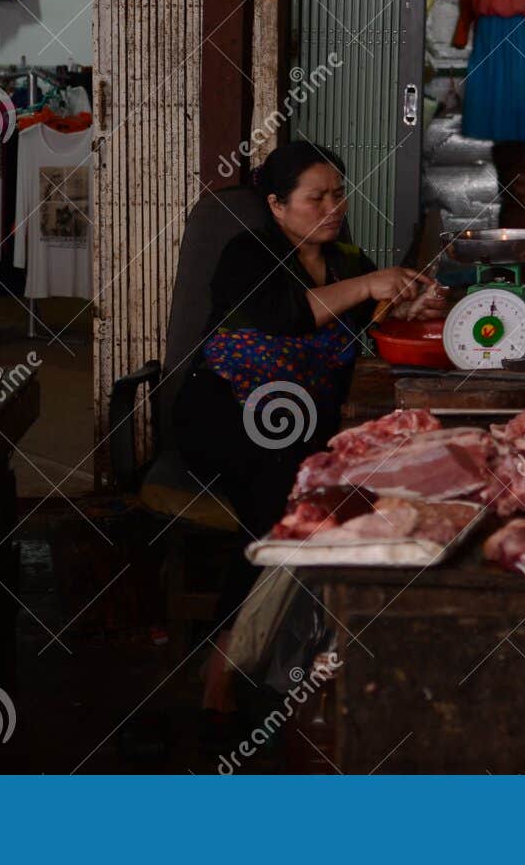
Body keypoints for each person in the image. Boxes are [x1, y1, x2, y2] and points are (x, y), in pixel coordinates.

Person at [170, 142, 445, 711]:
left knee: (325, 484)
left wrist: (410, 305)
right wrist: (370, 287)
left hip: (302, 424)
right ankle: (226, 656)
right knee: (283, 492)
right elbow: (286, 314)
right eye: (315, 197)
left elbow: (378, 323)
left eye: (338, 193)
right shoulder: (246, 254)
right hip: (223, 413)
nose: (333, 206)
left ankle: (306, 657)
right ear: (276, 205)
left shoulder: (348, 259)